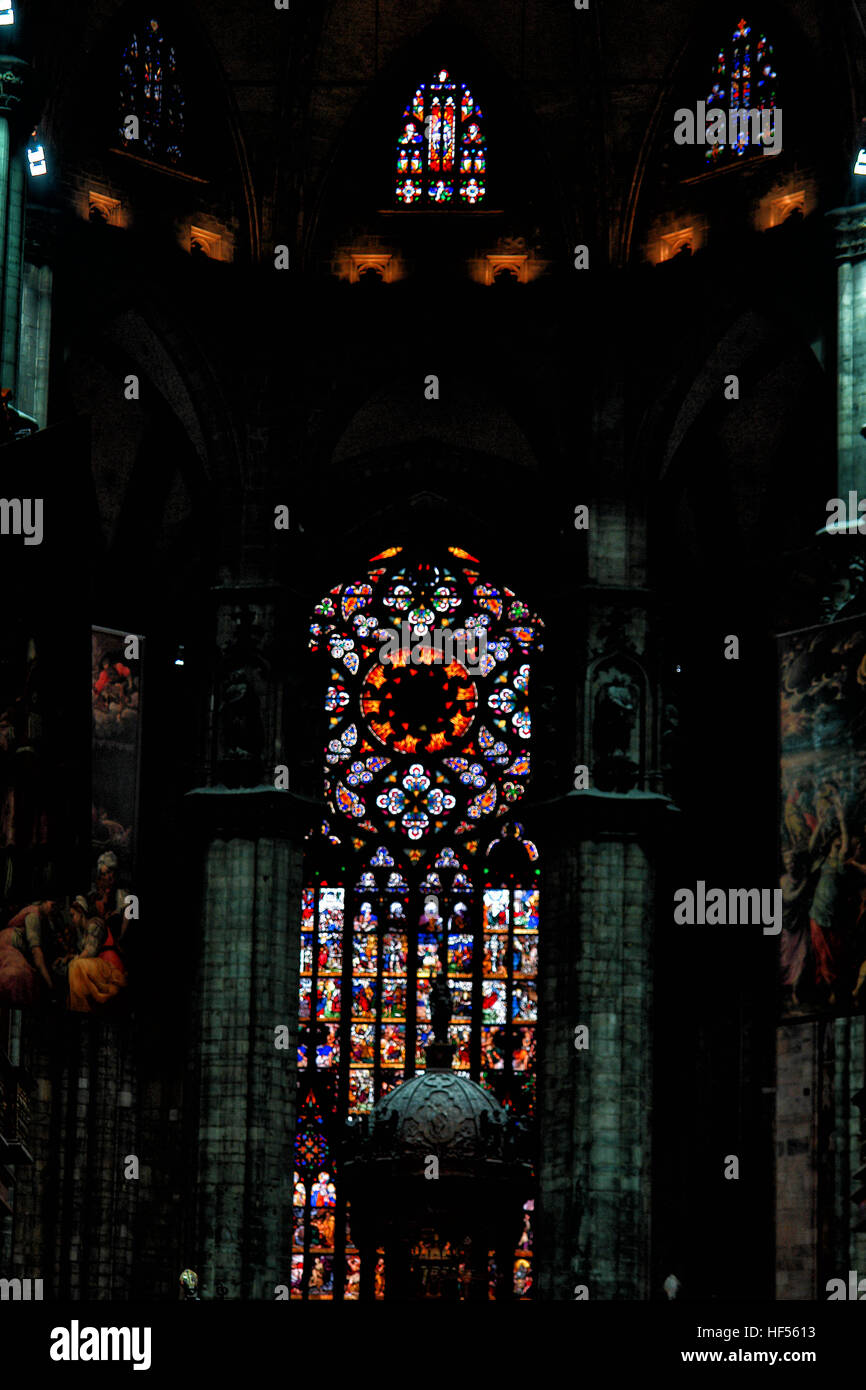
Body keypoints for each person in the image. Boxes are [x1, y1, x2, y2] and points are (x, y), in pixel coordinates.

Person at [67, 895, 128, 1012]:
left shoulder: (95, 924)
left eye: (72, 915)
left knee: (76, 966)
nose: (72, 919)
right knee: (75, 967)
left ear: (81, 912)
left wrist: (74, 960)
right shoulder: (83, 931)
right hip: (98, 966)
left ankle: (81, 1010)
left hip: (109, 965)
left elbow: (90, 951)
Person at [0, 899, 60, 1005]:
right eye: (52, 904)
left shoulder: (39, 916)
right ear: (44, 902)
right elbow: (36, 953)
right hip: (7, 946)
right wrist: (50, 984)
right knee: (19, 977)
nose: (54, 909)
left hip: (9, 947)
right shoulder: (33, 915)